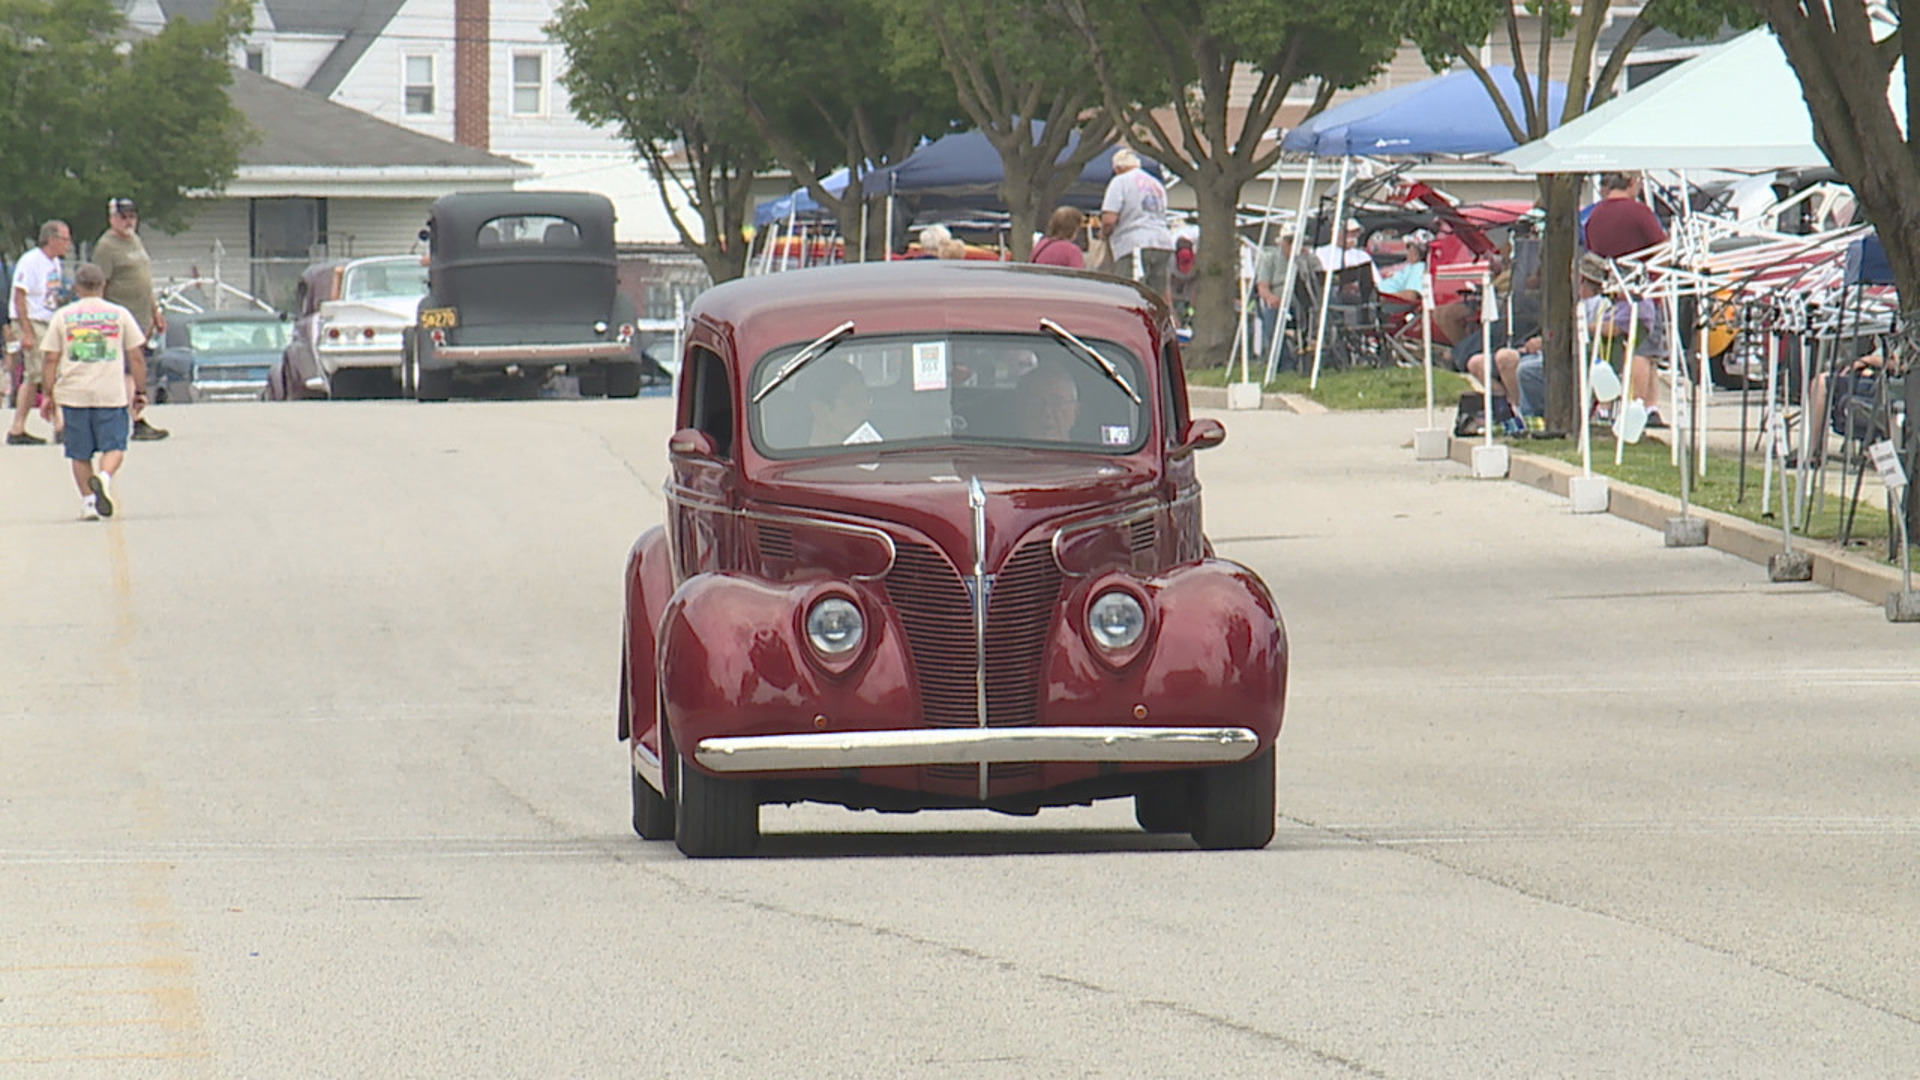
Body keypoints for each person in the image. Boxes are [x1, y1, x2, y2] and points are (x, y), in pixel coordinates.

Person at [37, 262, 146, 520]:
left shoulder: (63, 316)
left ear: (76, 288)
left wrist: (49, 394)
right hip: (110, 392)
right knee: (115, 446)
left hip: (74, 393)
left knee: (79, 452)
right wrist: (140, 390)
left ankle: (88, 502)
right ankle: (104, 478)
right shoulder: (119, 314)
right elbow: (136, 355)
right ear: (103, 286)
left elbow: (51, 358)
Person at [94, 197, 169, 441]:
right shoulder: (107, 246)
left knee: (135, 368)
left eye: (132, 217)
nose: (128, 222)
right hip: (119, 319)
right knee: (127, 371)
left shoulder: (135, 241)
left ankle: (131, 417)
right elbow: (99, 285)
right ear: (112, 218)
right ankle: (136, 421)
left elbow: (144, 279)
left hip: (141, 317)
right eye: (123, 217)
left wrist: (155, 311)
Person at [9, 220, 73, 445]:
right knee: (44, 371)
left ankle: (17, 427)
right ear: (51, 239)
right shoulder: (31, 261)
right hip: (30, 320)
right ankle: (60, 425)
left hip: (47, 320)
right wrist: (26, 332)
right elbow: (19, 297)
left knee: (35, 375)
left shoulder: (54, 263)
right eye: (64, 239)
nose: (68, 244)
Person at [1099, 148, 1174, 300]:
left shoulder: (1120, 181)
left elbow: (1109, 220)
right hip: (1163, 243)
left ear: (1117, 168)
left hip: (1134, 244)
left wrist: (1103, 234)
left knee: (1129, 294)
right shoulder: (1156, 184)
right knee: (1155, 297)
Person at [1251, 228, 1304, 372]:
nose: (1293, 245)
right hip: (1278, 300)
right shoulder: (1270, 258)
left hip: (1302, 299)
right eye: (1289, 241)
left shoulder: (1306, 258)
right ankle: (1282, 361)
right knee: (1271, 314)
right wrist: (1270, 297)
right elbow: (1262, 287)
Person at [1583, 172, 1667, 259]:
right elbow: (1661, 248)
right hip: (1637, 270)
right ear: (1631, 182)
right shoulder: (1640, 211)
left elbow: (1590, 250)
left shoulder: (1594, 214)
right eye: (1640, 181)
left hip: (1605, 270)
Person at [802, 359, 878, 447]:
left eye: (867, 397)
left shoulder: (877, 453)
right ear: (818, 409)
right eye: (853, 400)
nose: (866, 406)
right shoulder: (795, 457)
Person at [1014, 364, 1078, 441]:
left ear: (1075, 411)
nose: (1046, 412)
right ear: (1020, 411)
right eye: (1036, 403)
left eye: (1056, 403)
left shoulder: (1092, 450)